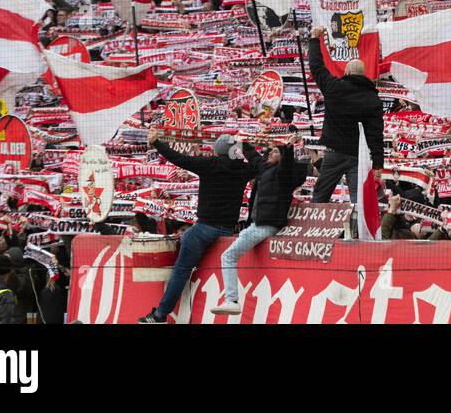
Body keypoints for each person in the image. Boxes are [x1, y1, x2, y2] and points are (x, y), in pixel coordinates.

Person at [137, 130, 258, 324]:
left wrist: (158, 143)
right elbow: (260, 164)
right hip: (227, 231)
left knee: (181, 270)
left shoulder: (209, 165)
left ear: (217, 151)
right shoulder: (243, 169)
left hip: (204, 228)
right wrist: (246, 146)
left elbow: (179, 159)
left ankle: (160, 315)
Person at [213, 138, 308, 315]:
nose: (271, 153)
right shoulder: (266, 169)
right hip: (257, 225)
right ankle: (231, 300)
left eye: (276, 152)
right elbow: (254, 156)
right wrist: (238, 141)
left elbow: (287, 165)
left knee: (228, 256)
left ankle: (231, 300)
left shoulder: (283, 175)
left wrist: (287, 149)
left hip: (266, 226)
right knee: (230, 252)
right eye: (271, 151)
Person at [307, 27, 384, 202]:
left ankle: (318, 227)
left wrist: (314, 39)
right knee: (359, 202)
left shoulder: (335, 88)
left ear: (347, 72)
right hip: (358, 156)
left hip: (334, 153)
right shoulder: (373, 99)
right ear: (364, 75)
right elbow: (376, 134)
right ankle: (357, 229)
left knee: (319, 197)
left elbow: (316, 67)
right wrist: (378, 163)